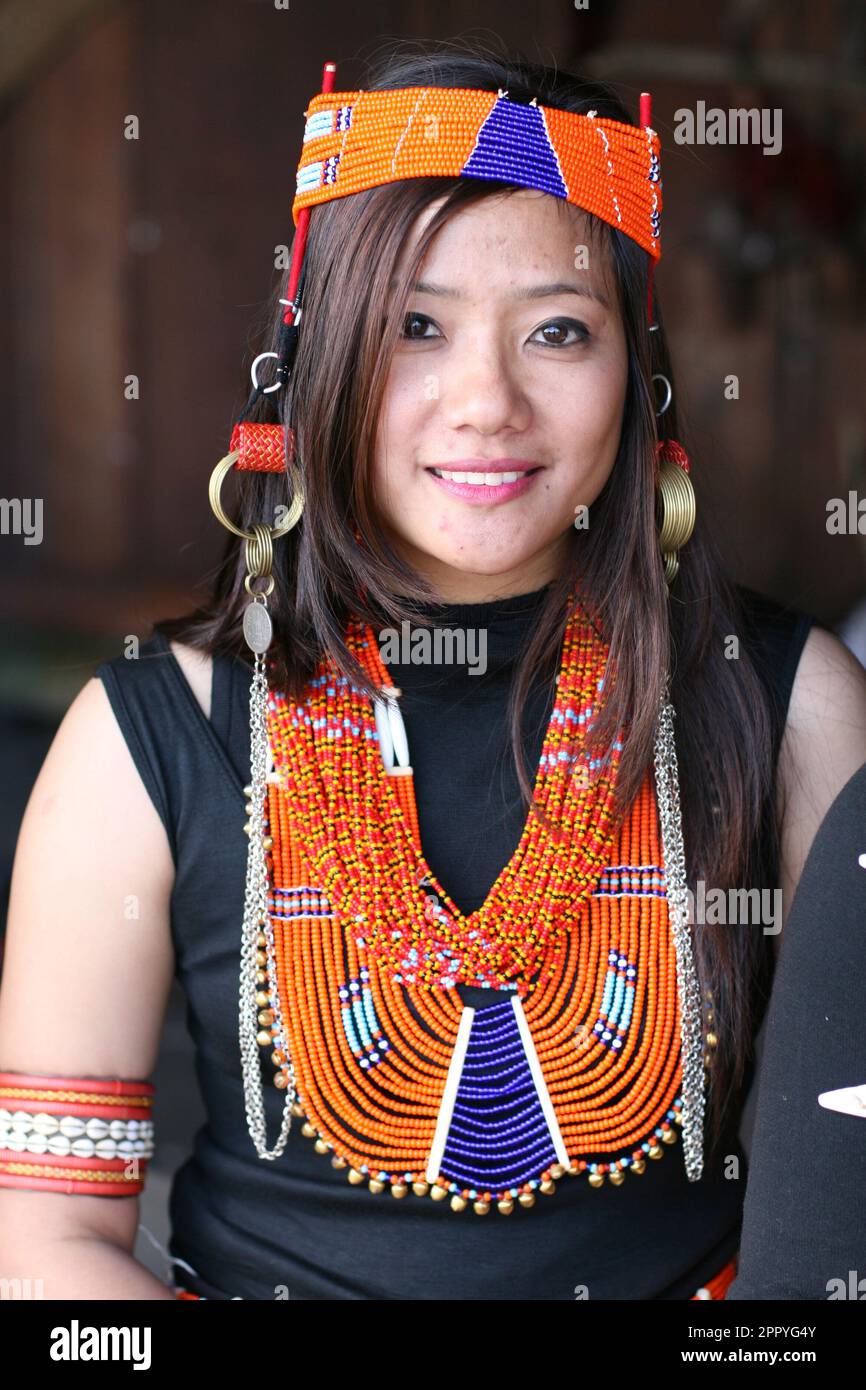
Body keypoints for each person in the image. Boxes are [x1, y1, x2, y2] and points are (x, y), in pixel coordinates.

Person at [1, 40, 865, 1302]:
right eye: (414, 326)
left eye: (558, 331)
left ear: (637, 379)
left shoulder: (790, 713)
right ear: (315, 362)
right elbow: (44, 1250)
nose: (483, 402)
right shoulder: (144, 739)